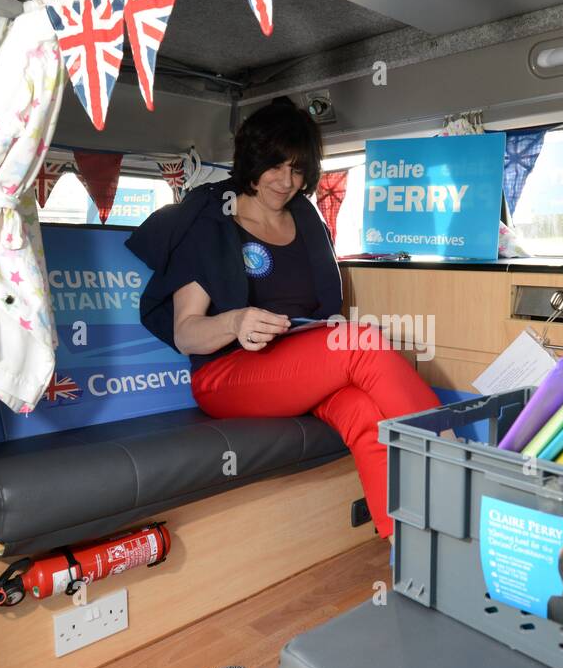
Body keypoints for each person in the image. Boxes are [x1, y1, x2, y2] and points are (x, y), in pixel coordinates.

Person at [126, 98, 440, 541]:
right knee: (359, 343)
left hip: (295, 366)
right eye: (276, 166)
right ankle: (457, 463)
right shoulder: (211, 222)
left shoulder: (307, 218)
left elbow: (321, 312)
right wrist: (235, 322)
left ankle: (414, 551)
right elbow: (186, 333)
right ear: (252, 160)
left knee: (364, 412)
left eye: (297, 170)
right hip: (226, 374)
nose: (286, 181)